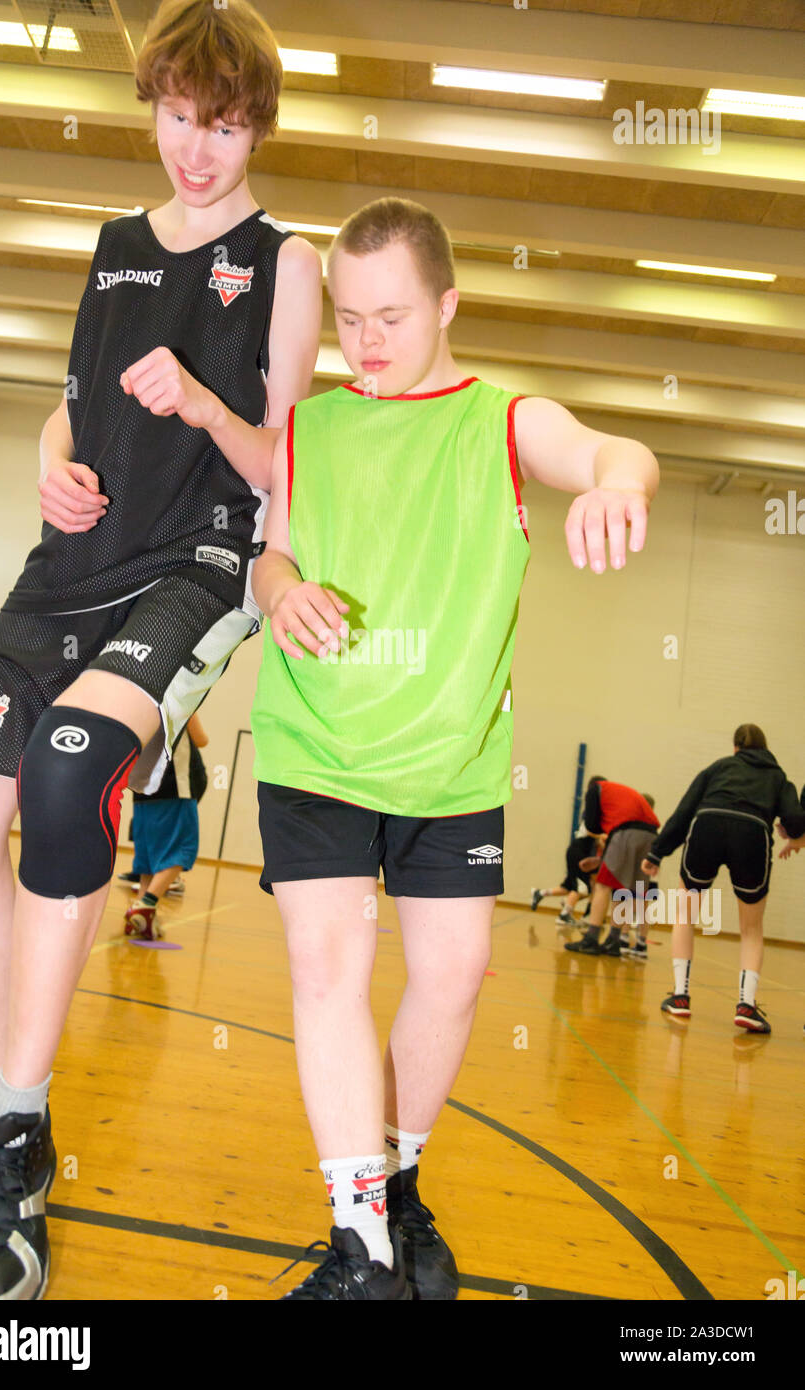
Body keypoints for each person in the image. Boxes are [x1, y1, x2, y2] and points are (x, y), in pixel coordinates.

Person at [0, 0, 321, 1300]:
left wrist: (205, 401)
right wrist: (48, 472)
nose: (194, 150)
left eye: (219, 126)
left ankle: (13, 1145)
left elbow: (282, 465)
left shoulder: (285, 255)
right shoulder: (109, 244)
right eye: (175, 118)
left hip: (191, 566)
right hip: (72, 565)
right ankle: (2, 1102)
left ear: (254, 123)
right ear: (152, 104)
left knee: (64, 771)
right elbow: (64, 413)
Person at [249, 196, 659, 1299]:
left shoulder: (502, 420)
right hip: (315, 747)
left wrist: (618, 485)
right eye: (348, 319)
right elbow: (271, 555)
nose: (365, 342)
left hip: (451, 761)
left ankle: (396, 1183)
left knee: (454, 976)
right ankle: (360, 1247)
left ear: (446, 306)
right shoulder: (310, 426)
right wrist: (279, 592)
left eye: (390, 316)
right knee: (328, 968)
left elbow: (611, 448)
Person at [640, 725, 805, 1034]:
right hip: (752, 834)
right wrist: (792, 833)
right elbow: (795, 820)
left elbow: (685, 810)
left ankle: (679, 997)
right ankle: (746, 1005)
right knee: (752, 930)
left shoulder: (719, 767)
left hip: (708, 826)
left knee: (685, 916)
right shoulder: (778, 776)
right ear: (765, 749)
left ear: (735, 749)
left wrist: (656, 852)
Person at [124, 711, 209, 939]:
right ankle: (147, 903)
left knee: (149, 858)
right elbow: (201, 739)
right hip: (175, 786)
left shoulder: (142, 699)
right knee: (183, 850)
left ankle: (142, 912)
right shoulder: (180, 698)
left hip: (142, 788)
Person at [564, 778, 659, 956]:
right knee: (624, 889)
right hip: (651, 835)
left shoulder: (595, 790)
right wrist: (601, 861)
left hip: (626, 833)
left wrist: (601, 845)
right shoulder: (619, 792)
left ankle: (591, 938)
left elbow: (592, 825)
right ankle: (613, 941)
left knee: (602, 885)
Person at [531, 776, 606, 925]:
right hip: (578, 851)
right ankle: (565, 914)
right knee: (582, 887)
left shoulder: (596, 813)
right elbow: (591, 832)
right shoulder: (592, 815)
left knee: (569, 886)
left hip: (578, 851)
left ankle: (540, 893)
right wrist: (602, 836)